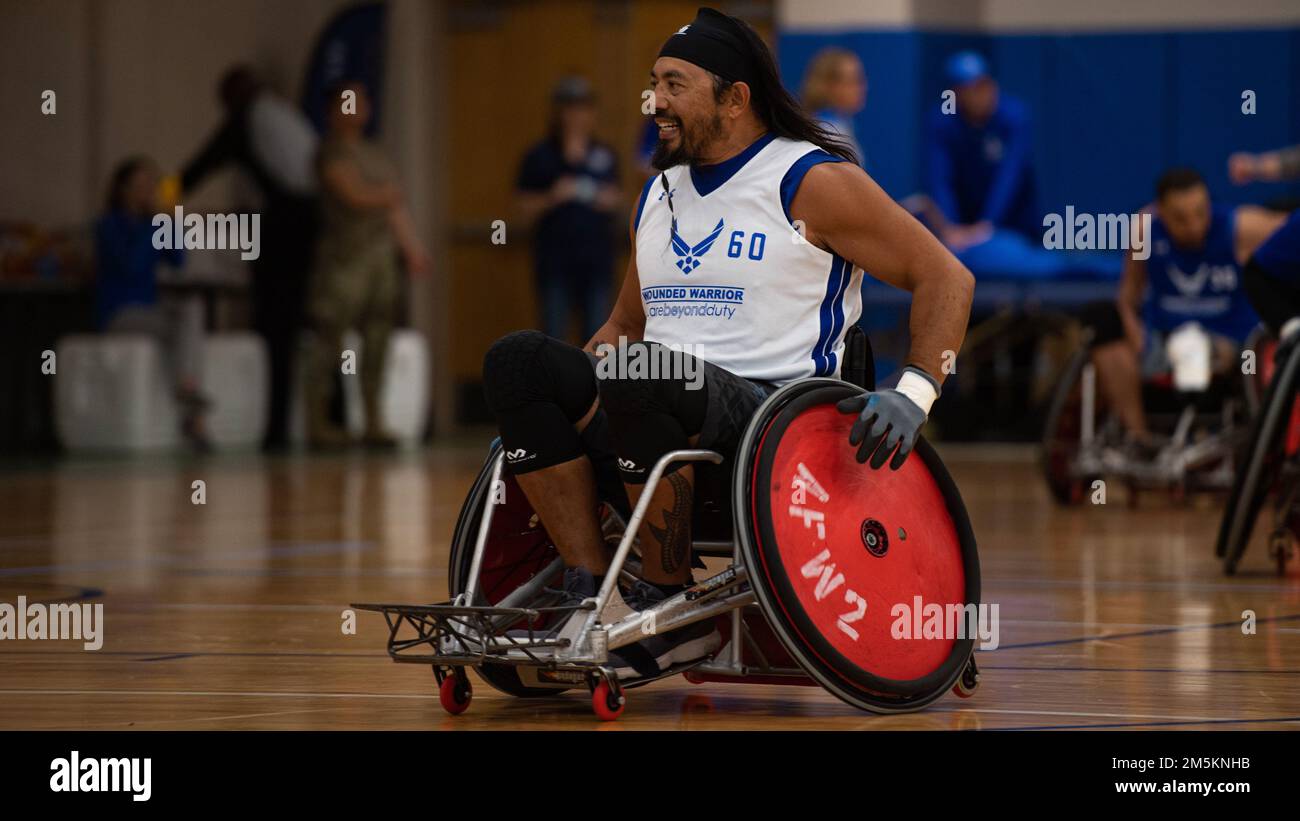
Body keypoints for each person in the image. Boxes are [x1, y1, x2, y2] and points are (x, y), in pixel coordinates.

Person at [481, 8, 973, 680]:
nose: (655, 100)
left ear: (735, 98)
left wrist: (916, 390)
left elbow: (946, 275)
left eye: (675, 84)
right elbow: (624, 326)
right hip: (648, 403)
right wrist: (564, 396)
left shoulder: (811, 179)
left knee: (640, 372)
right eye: (654, 82)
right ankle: (583, 583)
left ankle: (670, 605)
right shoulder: (657, 193)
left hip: (775, 427)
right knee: (519, 360)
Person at [1086, 168, 1284, 450]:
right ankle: (1140, 439)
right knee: (1102, 322)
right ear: (1161, 213)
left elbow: (1291, 234)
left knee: (1204, 345)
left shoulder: (1241, 227)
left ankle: (1232, 441)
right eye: (1180, 218)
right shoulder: (1143, 230)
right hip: (1163, 338)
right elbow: (1128, 296)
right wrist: (1133, 329)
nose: (1193, 225)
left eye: (1200, 213)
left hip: (1231, 342)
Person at [181, 66, 320, 451]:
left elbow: (201, 165)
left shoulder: (249, 119)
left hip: (282, 233)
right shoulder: (286, 117)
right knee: (294, 329)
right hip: (311, 228)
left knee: (275, 329)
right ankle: (294, 426)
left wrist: (162, 194)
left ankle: (274, 430)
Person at [305, 81, 430, 449]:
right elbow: (353, 193)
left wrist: (412, 247)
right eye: (349, 100)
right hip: (344, 259)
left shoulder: (376, 153)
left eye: (362, 99)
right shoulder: (331, 152)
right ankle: (319, 422)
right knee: (330, 338)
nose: (357, 106)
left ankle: (374, 419)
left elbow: (395, 206)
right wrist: (384, 196)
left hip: (380, 259)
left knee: (378, 338)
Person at [95, 156, 209, 450]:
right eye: (142, 185)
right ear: (123, 189)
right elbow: (131, 264)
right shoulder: (108, 226)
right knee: (179, 328)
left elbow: (178, 259)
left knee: (191, 311)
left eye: (152, 185)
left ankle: (187, 389)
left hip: (148, 311)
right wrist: (152, 224)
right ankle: (192, 414)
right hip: (119, 314)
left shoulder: (153, 224)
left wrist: (169, 221)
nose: (149, 191)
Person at [515, 77, 623, 344]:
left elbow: (620, 202)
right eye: (570, 109)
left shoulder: (605, 154)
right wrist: (553, 196)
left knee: (598, 339)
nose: (577, 116)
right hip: (555, 265)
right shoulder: (539, 156)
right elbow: (521, 210)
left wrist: (608, 200)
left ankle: (596, 387)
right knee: (554, 339)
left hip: (597, 263)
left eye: (583, 108)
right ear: (558, 112)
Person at [926, 51, 1039, 252]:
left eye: (983, 85)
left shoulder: (1013, 116)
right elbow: (940, 179)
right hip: (964, 226)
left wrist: (987, 225)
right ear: (956, 93)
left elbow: (1009, 177)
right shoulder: (943, 122)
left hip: (1015, 223)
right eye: (971, 89)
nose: (980, 94)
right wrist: (950, 227)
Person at [800, 47, 867, 170]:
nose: (862, 88)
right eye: (854, 81)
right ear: (830, 86)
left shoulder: (841, 125)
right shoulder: (829, 133)